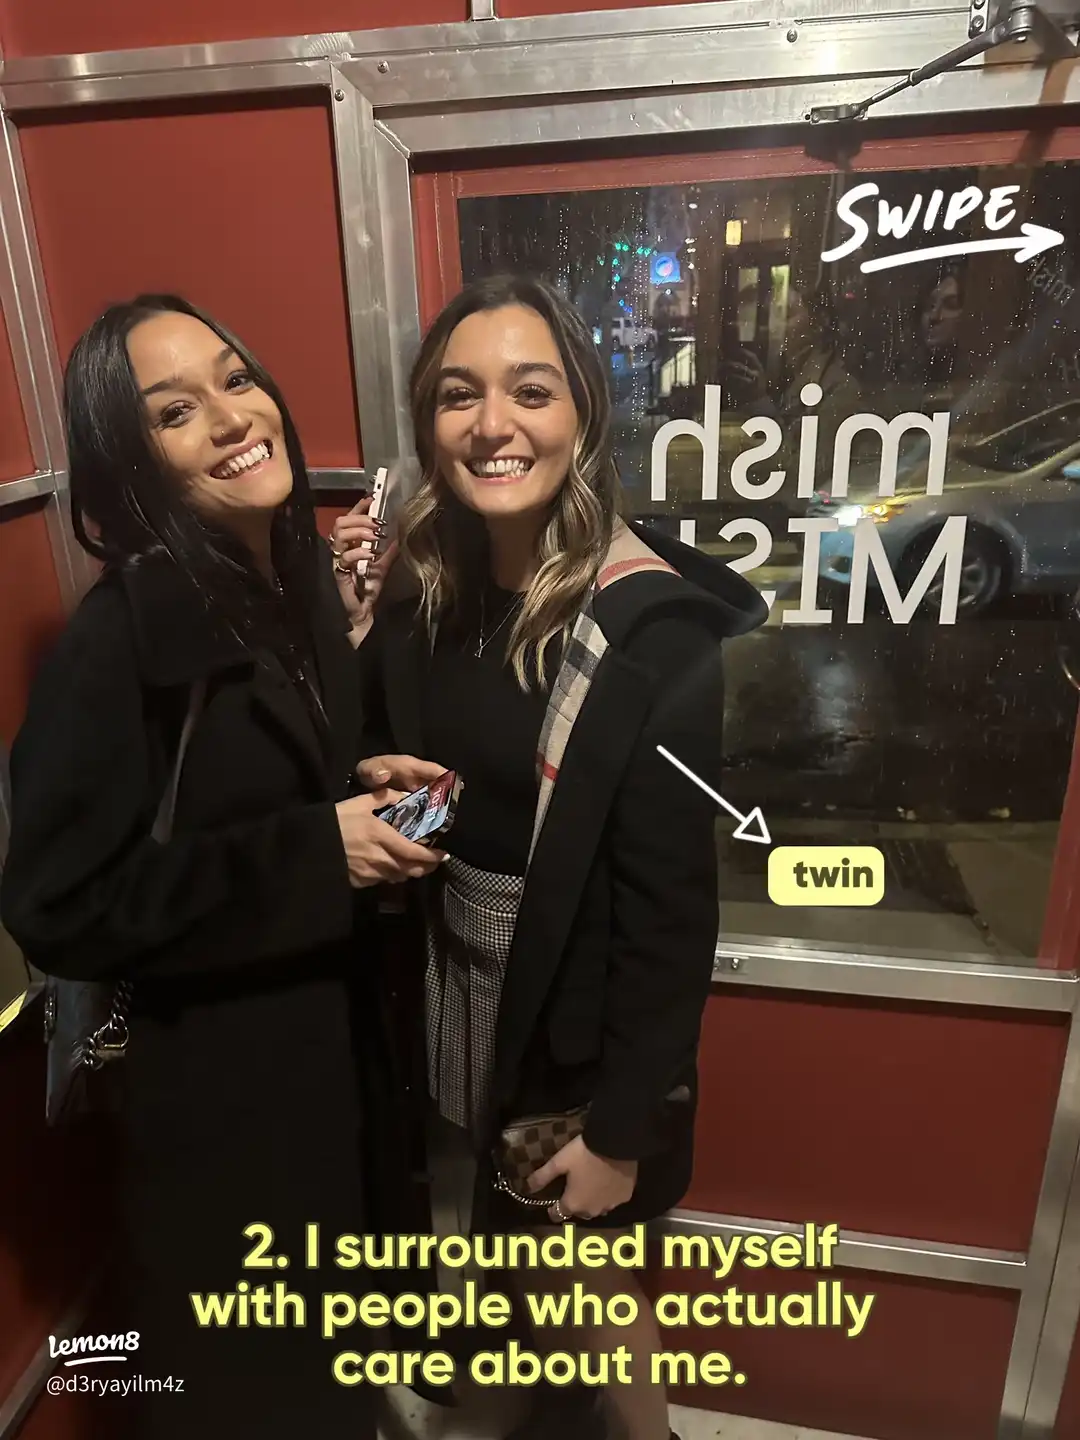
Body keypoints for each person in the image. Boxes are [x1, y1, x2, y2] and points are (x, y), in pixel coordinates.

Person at [0, 294, 445, 1438]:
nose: (233, 417)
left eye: (236, 379)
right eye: (175, 410)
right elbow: (57, 904)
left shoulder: (289, 580)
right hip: (222, 1127)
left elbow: (254, 782)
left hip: (336, 1088)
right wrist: (315, 846)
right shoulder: (123, 638)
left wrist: (358, 779)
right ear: (125, 459)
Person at [341, 275, 767, 1440]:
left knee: (581, 1276)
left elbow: (675, 914)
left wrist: (623, 1130)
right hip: (455, 988)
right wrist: (385, 772)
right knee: (487, 1241)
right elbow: (429, 795)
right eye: (459, 396)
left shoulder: (648, 628)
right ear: (428, 421)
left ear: (581, 412)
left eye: (530, 391)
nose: (494, 425)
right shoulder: (431, 590)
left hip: (570, 1020)